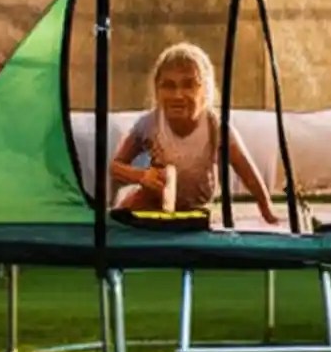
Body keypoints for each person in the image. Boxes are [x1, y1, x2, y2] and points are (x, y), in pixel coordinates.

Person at [110, 42, 278, 225]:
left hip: (197, 207)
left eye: (189, 85)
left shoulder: (215, 128)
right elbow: (115, 167)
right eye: (168, 86)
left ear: (205, 91)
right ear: (157, 92)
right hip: (156, 201)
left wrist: (267, 210)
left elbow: (247, 173)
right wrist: (142, 176)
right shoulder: (149, 124)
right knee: (129, 208)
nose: (178, 95)